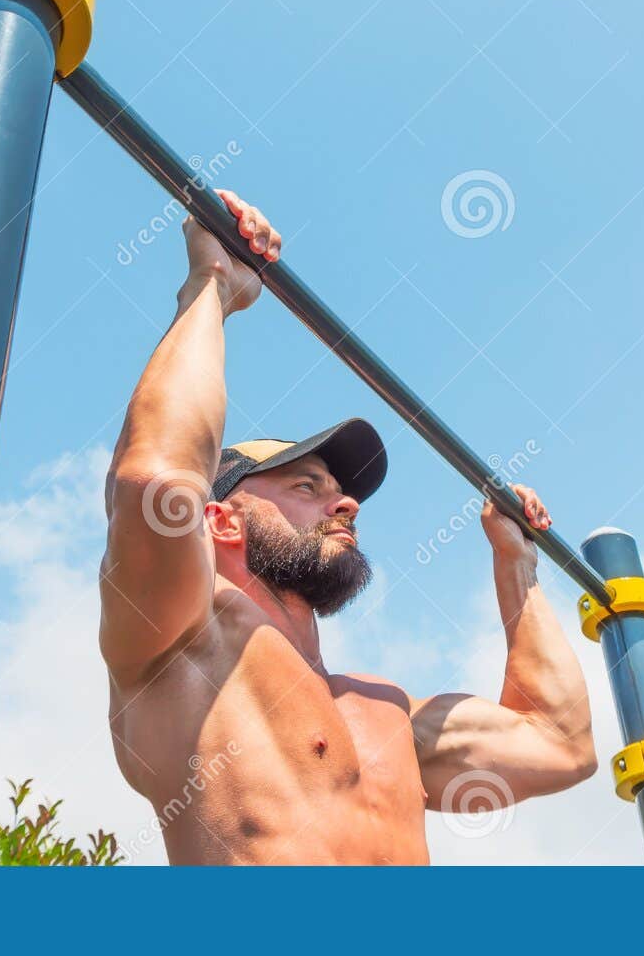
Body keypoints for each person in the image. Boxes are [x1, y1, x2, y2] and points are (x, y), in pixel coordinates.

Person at [100, 189, 598, 864]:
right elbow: (157, 478)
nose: (347, 505)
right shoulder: (183, 647)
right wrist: (212, 287)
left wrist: (516, 567)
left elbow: (560, 742)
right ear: (219, 520)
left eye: (341, 492)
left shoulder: (391, 713)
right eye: (307, 486)